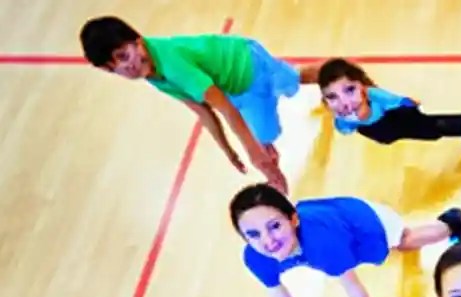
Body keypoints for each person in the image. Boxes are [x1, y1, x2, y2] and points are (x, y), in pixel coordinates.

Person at [230, 183, 461, 297]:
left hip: (361, 221)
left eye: (274, 226)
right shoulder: (256, 257)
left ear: (293, 220)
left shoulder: (323, 244)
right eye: (253, 234)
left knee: (405, 241)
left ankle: (451, 224)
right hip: (334, 225)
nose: (268, 241)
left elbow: (354, 289)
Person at [78, 15, 316, 192]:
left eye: (122, 56)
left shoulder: (172, 66)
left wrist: (252, 151)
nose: (125, 68)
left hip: (249, 69)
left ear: (138, 42)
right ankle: (276, 179)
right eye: (113, 68)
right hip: (230, 80)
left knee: (266, 130)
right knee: (264, 131)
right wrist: (227, 149)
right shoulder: (150, 71)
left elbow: (225, 108)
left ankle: (340, 74)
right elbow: (202, 110)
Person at [316, 58, 461, 152]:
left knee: (435, 128)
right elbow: (344, 128)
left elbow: (395, 101)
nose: (344, 103)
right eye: (333, 97)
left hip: (397, 120)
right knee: (433, 130)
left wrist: (407, 104)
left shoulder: (374, 96)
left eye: (349, 90)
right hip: (388, 131)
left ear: (362, 86)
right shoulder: (342, 117)